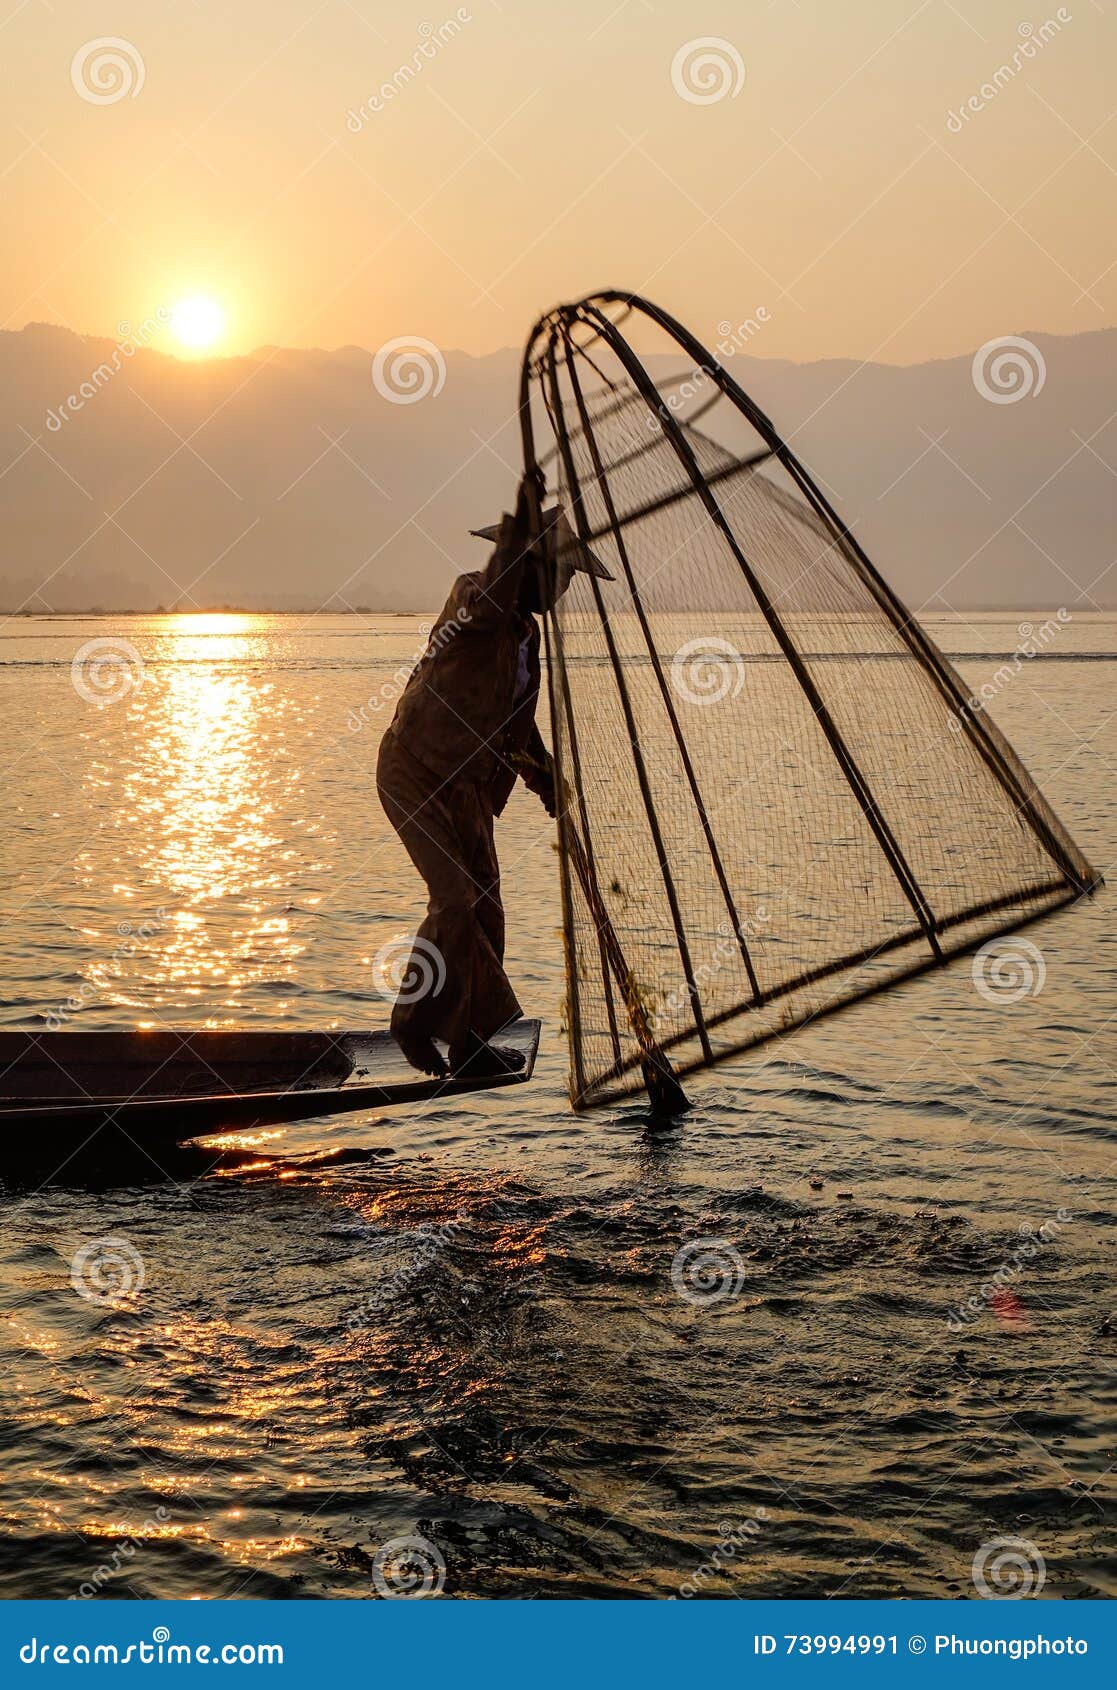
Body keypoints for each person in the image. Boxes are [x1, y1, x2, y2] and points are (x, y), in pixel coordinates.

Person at [376, 470, 613, 1078]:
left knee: (486, 914)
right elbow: (494, 589)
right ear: (529, 568)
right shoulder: (473, 601)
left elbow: (514, 727)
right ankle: (411, 1024)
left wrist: (546, 780)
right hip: (416, 771)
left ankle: (470, 1043)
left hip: (471, 788)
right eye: (557, 575)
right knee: (453, 902)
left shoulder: (525, 637)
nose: (560, 589)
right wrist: (519, 524)